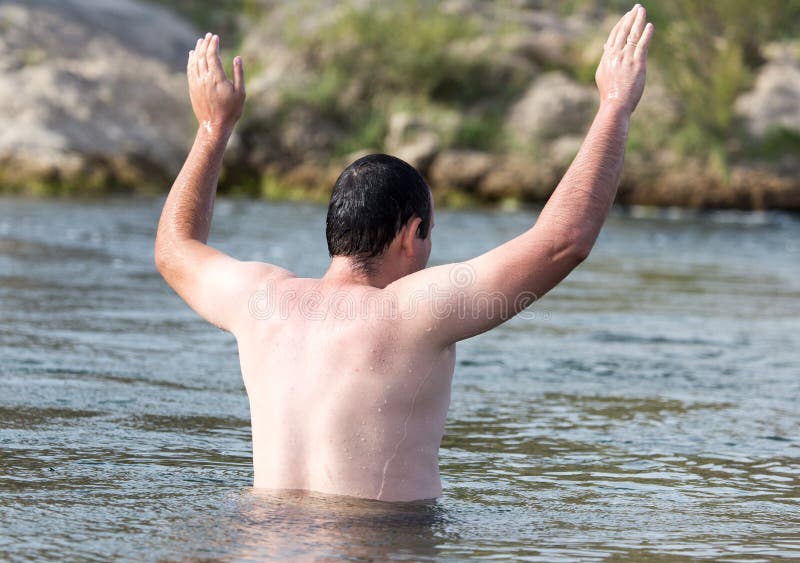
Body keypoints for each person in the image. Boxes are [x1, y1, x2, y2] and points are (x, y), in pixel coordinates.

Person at [155, 6, 654, 502]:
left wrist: (213, 128)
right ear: (411, 235)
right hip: (383, 550)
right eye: (430, 234)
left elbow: (175, 250)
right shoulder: (413, 311)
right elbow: (563, 241)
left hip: (262, 552)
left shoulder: (260, 302)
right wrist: (614, 105)